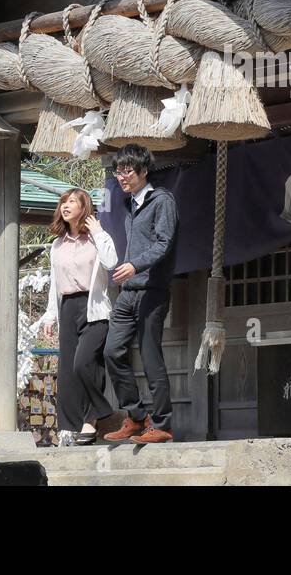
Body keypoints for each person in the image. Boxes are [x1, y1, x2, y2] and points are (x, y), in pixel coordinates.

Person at [103, 144, 178, 444]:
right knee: (112, 352)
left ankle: (162, 425)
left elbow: (164, 243)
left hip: (152, 290)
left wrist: (135, 265)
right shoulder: (128, 205)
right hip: (128, 293)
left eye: (128, 170)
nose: (122, 176)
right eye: (118, 171)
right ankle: (136, 417)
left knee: (150, 357)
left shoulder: (162, 201)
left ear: (143, 171)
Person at [37, 188, 118, 446]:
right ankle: (72, 427)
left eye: (72, 201)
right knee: (68, 371)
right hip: (67, 307)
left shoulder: (97, 239)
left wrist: (98, 232)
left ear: (84, 208)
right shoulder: (57, 244)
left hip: (93, 308)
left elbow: (112, 261)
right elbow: (54, 283)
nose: (65, 205)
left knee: (83, 363)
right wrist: (50, 315)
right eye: (63, 201)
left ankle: (96, 415)